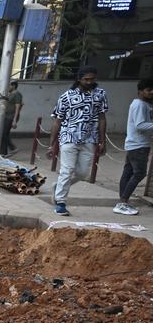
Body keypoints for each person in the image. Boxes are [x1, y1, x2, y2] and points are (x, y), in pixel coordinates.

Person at [48, 66, 109, 217]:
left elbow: (102, 118)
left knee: (82, 173)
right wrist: (51, 144)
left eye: (92, 79)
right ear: (79, 79)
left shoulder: (100, 94)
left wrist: (102, 141)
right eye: (86, 79)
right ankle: (61, 203)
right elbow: (57, 120)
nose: (89, 82)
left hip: (90, 138)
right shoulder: (66, 96)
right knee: (67, 170)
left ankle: (58, 187)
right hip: (68, 137)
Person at [115, 77, 153, 216]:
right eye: (148, 90)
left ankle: (122, 202)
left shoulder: (145, 104)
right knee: (139, 173)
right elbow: (140, 125)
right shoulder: (139, 105)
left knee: (128, 172)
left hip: (137, 144)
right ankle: (123, 202)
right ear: (140, 91)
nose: (151, 92)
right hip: (138, 145)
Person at [2, 81, 23, 155]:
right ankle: (3, 152)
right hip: (6, 115)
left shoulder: (17, 94)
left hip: (11, 116)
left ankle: (13, 148)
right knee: (4, 134)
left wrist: (14, 120)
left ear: (13, 86)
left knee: (4, 133)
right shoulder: (10, 94)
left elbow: (17, 107)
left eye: (9, 86)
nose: (8, 88)